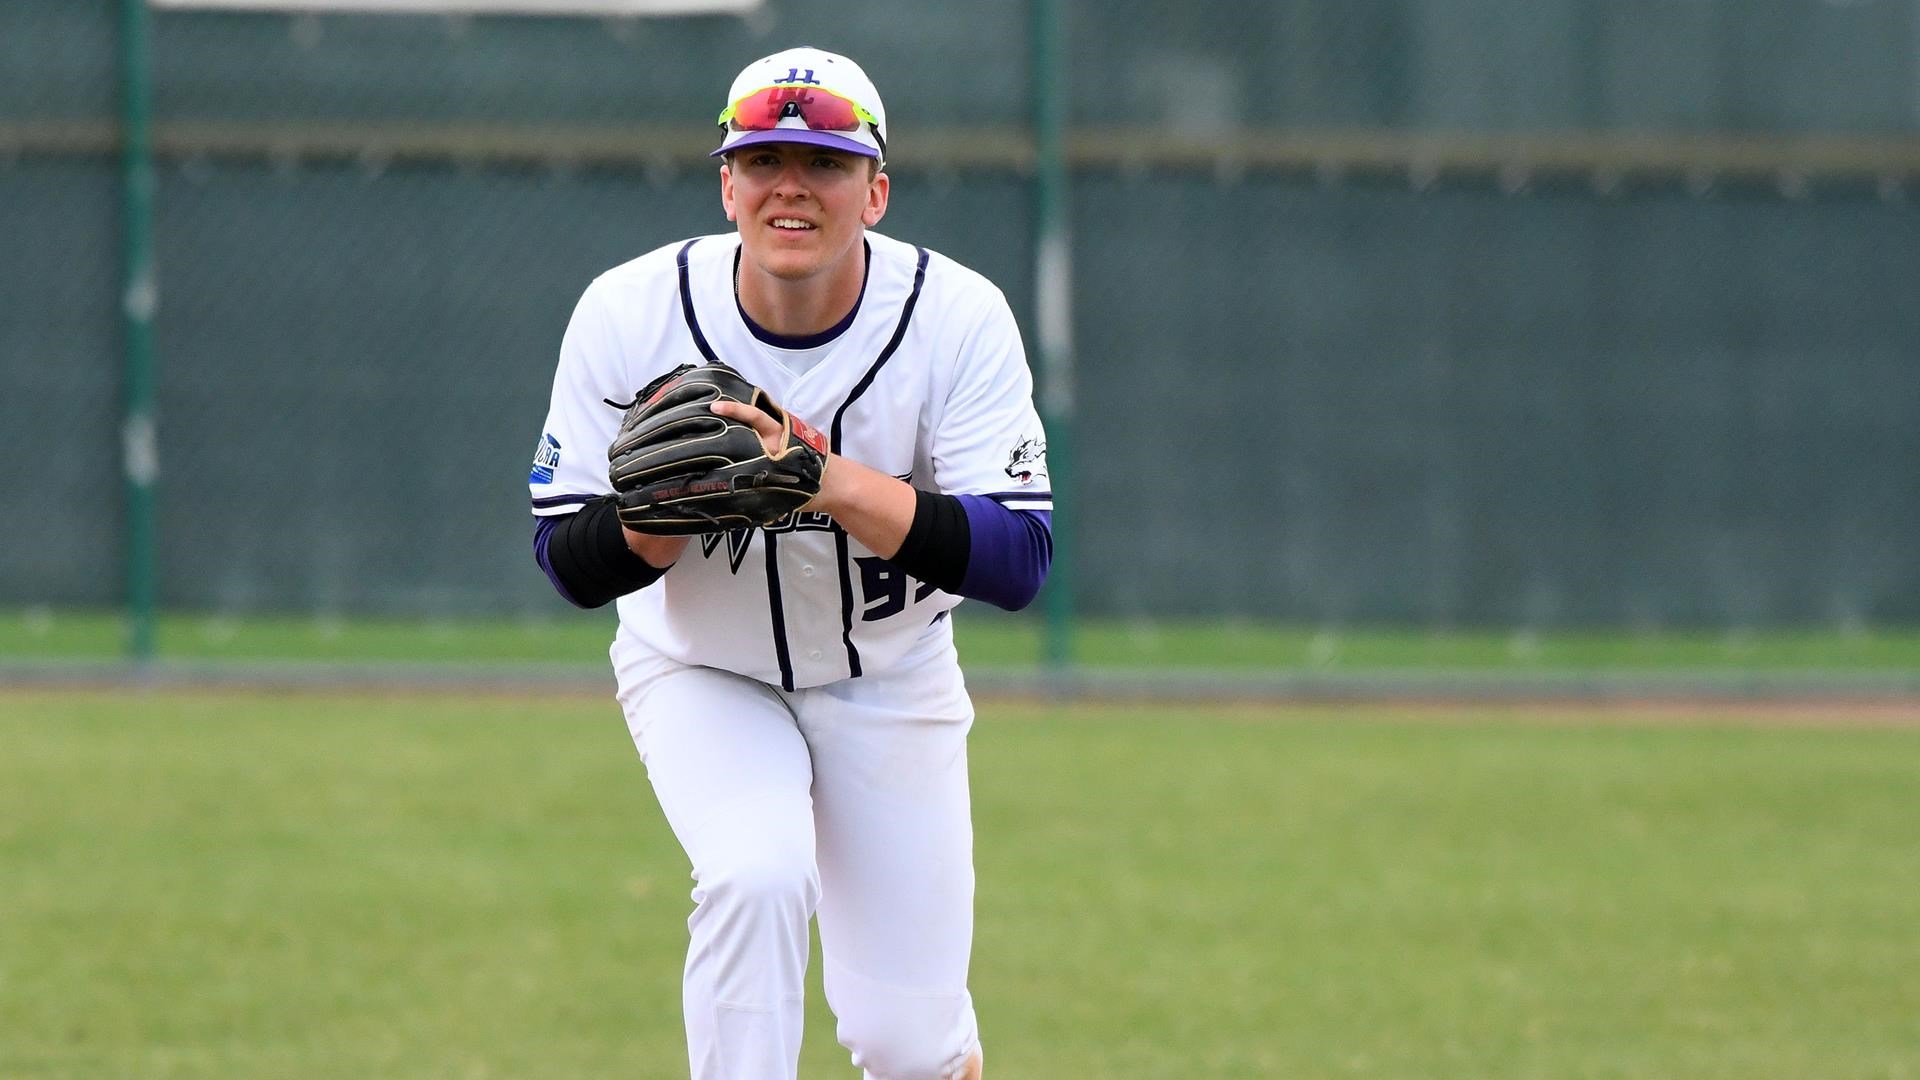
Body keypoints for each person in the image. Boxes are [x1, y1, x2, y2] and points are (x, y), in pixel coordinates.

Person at [526, 45, 1053, 1080]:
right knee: (754, 875)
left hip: (890, 681)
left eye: (825, 164)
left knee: (909, 1047)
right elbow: (563, 559)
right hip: (702, 670)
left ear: (877, 191)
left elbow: (1020, 557)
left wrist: (821, 477)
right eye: (764, 160)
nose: (791, 187)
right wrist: (657, 521)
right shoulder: (631, 312)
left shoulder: (956, 319)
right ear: (727, 184)